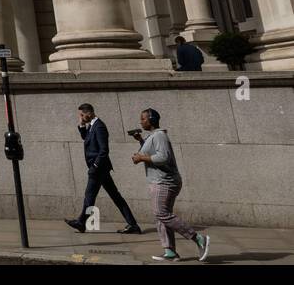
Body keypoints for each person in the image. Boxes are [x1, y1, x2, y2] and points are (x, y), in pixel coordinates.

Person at [131, 108, 210, 262]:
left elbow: (163, 157)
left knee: (161, 213)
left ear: (152, 120)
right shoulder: (152, 136)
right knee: (160, 215)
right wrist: (141, 141)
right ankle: (170, 251)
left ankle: (198, 238)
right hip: (158, 181)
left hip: (165, 181)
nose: (140, 122)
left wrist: (141, 158)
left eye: (143, 119)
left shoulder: (159, 135)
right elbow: (153, 152)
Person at [65, 104, 141, 234]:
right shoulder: (92, 126)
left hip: (98, 168)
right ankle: (133, 225)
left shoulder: (99, 126)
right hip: (101, 169)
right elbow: (86, 138)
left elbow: (104, 150)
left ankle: (81, 222)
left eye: (82, 115)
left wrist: (95, 166)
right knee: (115, 196)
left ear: (89, 113)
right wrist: (82, 125)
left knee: (89, 196)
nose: (81, 117)